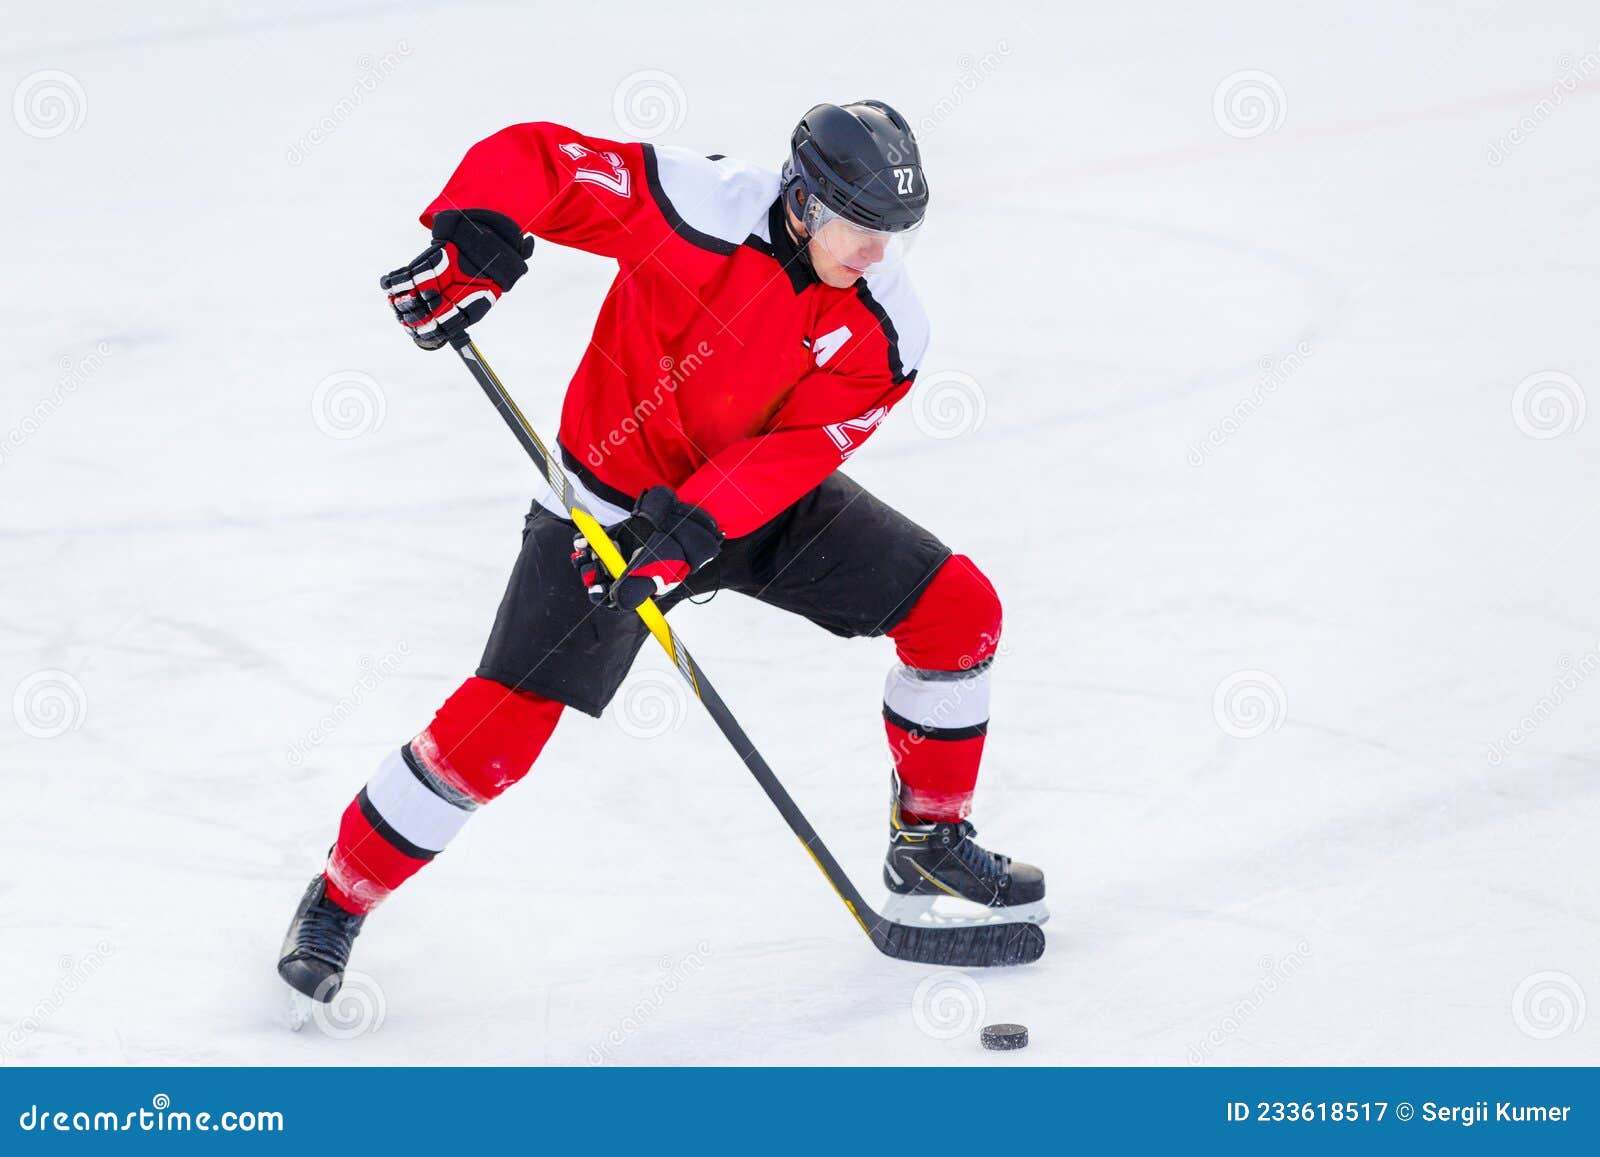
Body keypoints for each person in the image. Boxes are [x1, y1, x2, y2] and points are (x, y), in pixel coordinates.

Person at [277, 100, 1044, 1003]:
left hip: (754, 498)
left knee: (959, 612)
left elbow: (797, 449)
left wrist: (695, 532)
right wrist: (475, 234)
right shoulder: (697, 202)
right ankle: (339, 897)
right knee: (496, 734)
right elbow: (544, 161)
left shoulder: (889, 325)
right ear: (800, 200)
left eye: (894, 235)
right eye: (857, 228)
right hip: (606, 503)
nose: (875, 254)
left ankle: (928, 844)